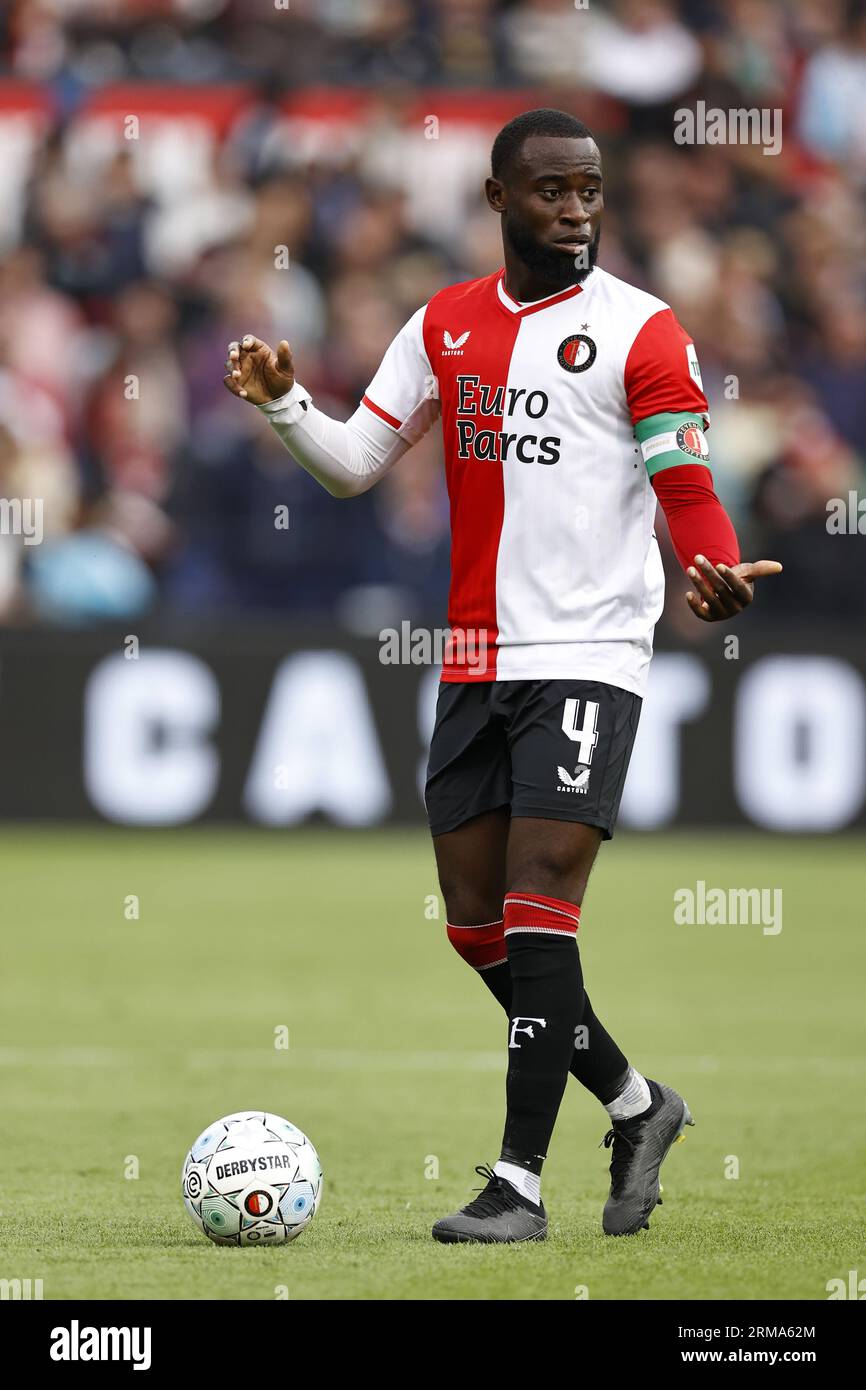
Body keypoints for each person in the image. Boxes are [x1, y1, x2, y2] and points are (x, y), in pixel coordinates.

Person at [223, 108, 782, 1243]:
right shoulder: (442, 327)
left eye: (587, 192)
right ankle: (637, 1104)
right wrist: (286, 403)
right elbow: (353, 463)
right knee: (475, 925)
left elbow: (684, 482)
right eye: (550, 192)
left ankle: (516, 1184)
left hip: (587, 656)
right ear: (496, 200)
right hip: (475, 658)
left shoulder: (641, 330)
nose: (574, 211)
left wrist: (709, 566)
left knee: (539, 910)